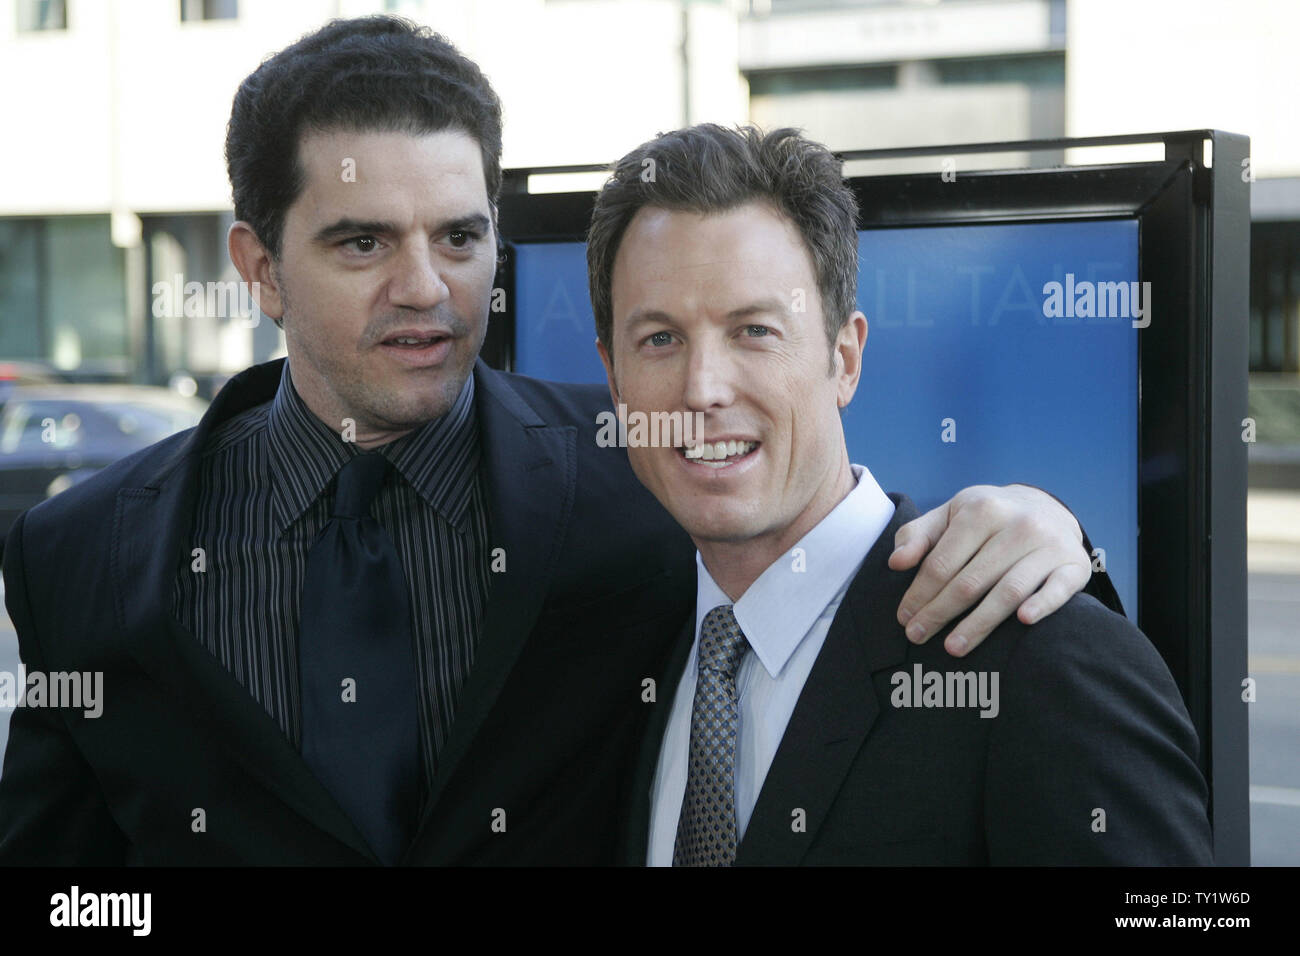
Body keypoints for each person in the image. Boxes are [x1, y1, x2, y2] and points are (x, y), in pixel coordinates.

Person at [0, 17, 1114, 866]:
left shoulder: (646, 471)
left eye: (459, 235)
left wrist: (1055, 530)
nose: (425, 288)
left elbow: (837, 562)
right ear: (255, 266)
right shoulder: (84, 557)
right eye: (360, 242)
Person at [588, 124, 1214, 865]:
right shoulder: (609, 658)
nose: (703, 389)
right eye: (659, 339)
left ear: (844, 358)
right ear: (614, 379)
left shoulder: (1044, 662)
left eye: (754, 330)